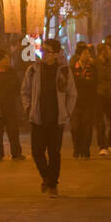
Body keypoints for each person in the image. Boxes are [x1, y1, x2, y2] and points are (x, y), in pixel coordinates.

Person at [21, 38, 78, 197]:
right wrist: (28, 108)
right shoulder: (33, 70)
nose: (44, 54)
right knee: (36, 152)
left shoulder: (64, 71)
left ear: (56, 54)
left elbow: (72, 94)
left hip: (56, 120)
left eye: (48, 51)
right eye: (43, 50)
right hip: (38, 119)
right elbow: (24, 91)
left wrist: (66, 112)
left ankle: (52, 184)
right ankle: (46, 176)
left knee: (54, 153)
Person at [0, 49, 25, 160]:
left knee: (13, 131)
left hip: (10, 108)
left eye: (8, 58)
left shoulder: (12, 72)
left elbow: (18, 88)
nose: (8, 60)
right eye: (5, 58)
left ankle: (16, 154)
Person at [93, 42, 111, 155]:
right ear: (101, 52)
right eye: (107, 50)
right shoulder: (95, 64)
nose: (109, 52)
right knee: (100, 123)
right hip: (99, 96)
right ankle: (102, 146)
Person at [69, 44, 97, 159]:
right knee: (75, 127)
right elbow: (71, 85)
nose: (87, 55)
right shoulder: (72, 69)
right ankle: (76, 148)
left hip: (89, 101)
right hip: (75, 102)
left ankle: (85, 150)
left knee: (87, 126)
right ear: (79, 55)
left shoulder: (92, 68)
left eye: (88, 53)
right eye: (85, 53)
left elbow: (94, 83)